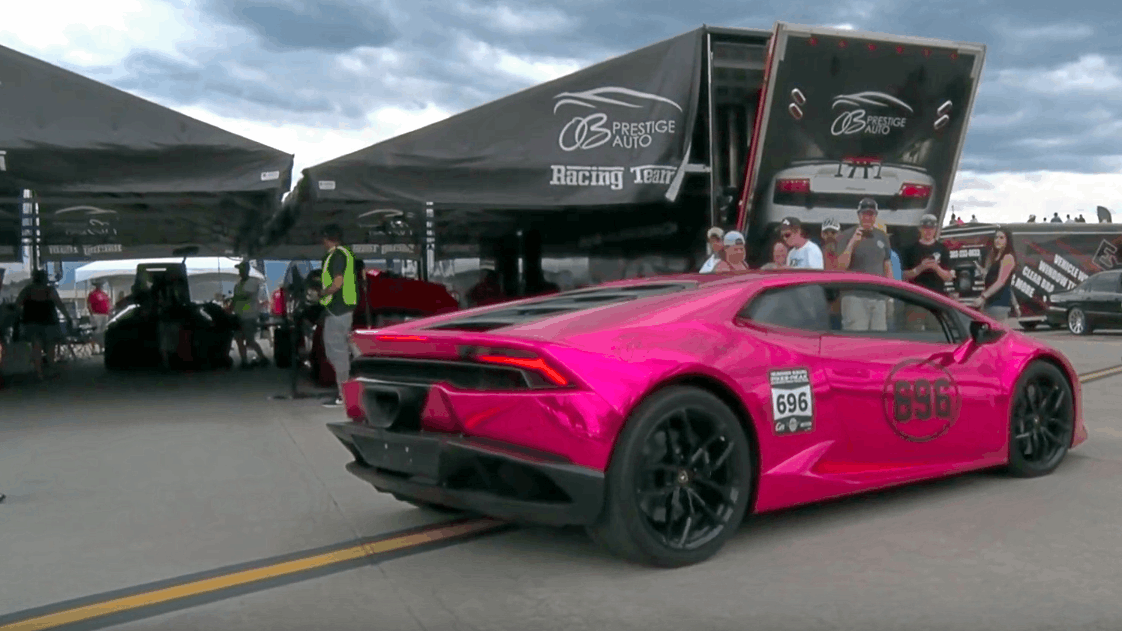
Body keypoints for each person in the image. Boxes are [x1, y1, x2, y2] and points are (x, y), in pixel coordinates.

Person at [835, 198, 893, 331]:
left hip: (878, 297)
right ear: (859, 215)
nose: (868, 217)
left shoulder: (882, 236)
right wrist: (852, 243)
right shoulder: (846, 235)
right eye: (865, 214)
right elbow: (840, 267)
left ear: (875, 216)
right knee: (856, 339)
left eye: (871, 214)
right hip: (854, 297)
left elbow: (887, 266)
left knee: (879, 340)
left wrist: (890, 296)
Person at [318, 224, 359, 407]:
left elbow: (337, 282)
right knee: (341, 350)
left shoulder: (337, 256)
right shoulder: (345, 253)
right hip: (343, 309)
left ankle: (344, 396)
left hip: (338, 309)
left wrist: (322, 293)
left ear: (327, 238)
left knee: (337, 353)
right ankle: (349, 391)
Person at [15, 269, 72, 380]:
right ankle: (51, 370)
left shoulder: (27, 290)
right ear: (44, 278)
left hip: (31, 322)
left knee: (36, 347)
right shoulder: (50, 290)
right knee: (51, 347)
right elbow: (59, 304)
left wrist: (21, 316)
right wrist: (68, 317)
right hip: (49, 322)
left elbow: (18, 304)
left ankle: (39, 373)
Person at [901, 214, 954, 330]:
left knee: (937, 334)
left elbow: (948, 277)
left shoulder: (942, 249)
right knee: (913, 334)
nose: (928, 231)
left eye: (931, 228)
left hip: (937, 300)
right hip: (915, 300)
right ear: (920, 229)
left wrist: (936, 267)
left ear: (935, 229)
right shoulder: (910, 249)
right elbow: (903, 275)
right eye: (925, 228)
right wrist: (919, 268)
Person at [972, 228, 1016, 321]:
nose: (997, 240)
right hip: (990, 302)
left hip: (999, 303)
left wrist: (983, 297)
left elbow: (1001, 281)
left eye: (1001, 238)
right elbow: (992, 279)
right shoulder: (995, 257)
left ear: (1007, 240)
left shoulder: (1007, 257)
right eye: (996, 237)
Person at [231, 262, 268, 369]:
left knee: (250, 341)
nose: (240, 272)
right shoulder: (238, 285)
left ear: (247, 270)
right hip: (239, 316)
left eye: (242, 269)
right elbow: (235, 299)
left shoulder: (252, 282)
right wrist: (229, 308)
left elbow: (248, 295)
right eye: (239, 269)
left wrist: (234, 299)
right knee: (238, 338)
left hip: (250, 316)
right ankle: (244, 362)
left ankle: (263, 358)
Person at [86, 280, 111, 353]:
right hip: (96, 315)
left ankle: (101, 348)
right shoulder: (92, 294)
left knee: (103, 332)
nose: (100, 286)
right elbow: (89, 303)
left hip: (105, 314)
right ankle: (93, 349)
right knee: (96, 332)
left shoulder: (104, 294)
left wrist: (109, 311)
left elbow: (108, 302)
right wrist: (92, 313)